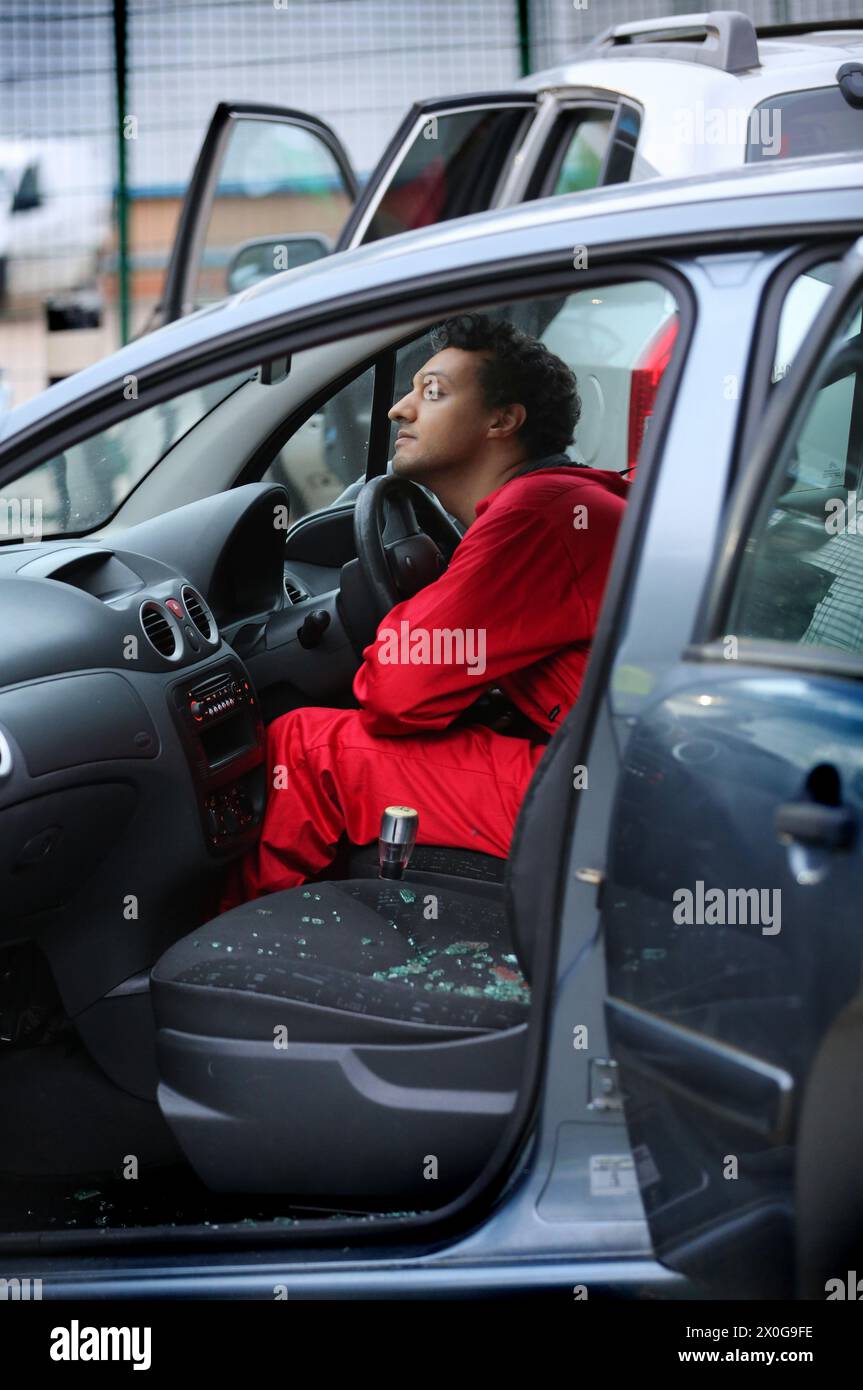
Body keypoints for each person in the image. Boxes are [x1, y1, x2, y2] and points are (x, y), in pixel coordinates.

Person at [219, 312, 629, 910]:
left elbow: (398, 693)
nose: (398, 410)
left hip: (610, 804)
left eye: (432, 392)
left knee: (311, 749)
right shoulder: (570, 500)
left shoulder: (536, 514)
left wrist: (409, 616)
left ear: (502, 420)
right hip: (622, 782)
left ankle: (242, 949)